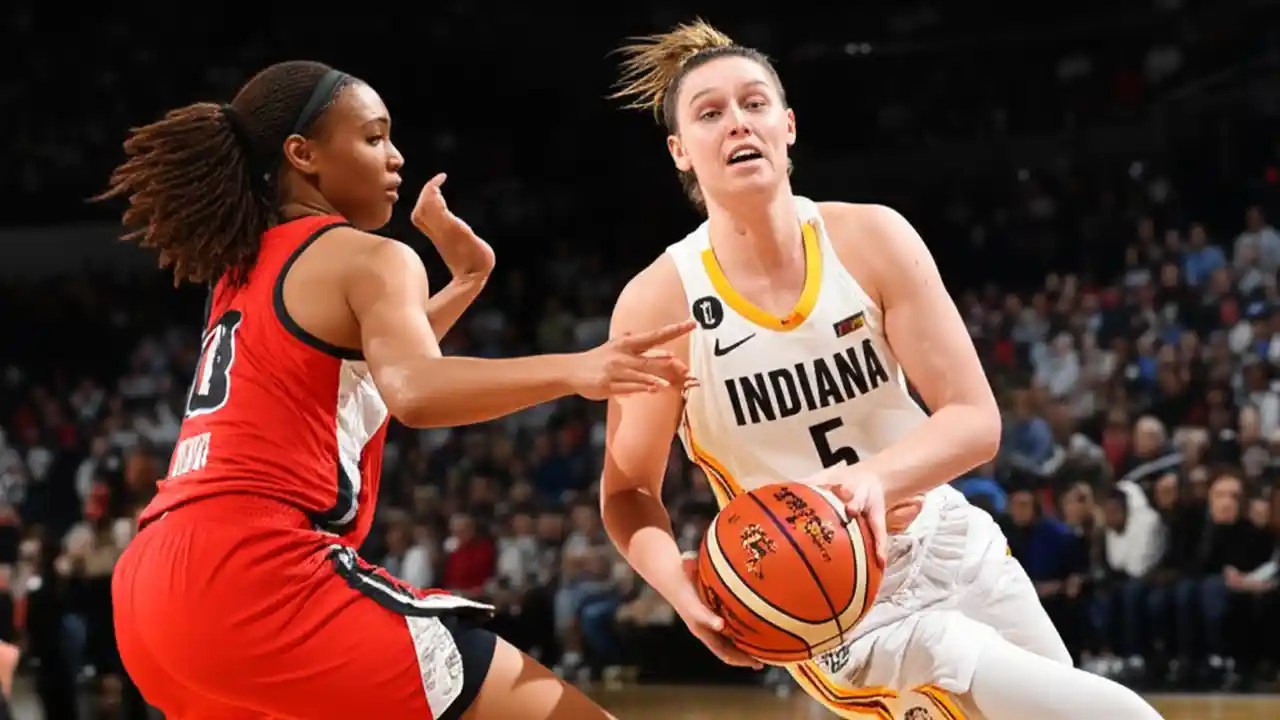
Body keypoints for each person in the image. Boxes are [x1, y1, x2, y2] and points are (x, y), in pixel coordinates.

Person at [97, 60, 695, 720]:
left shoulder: (240, 270)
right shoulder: (370, 255)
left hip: (152, 588)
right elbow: (415, 389)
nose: (397, 156)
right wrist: (578, 368)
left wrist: (466, 281)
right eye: (374, 137)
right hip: (254, 571)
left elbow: (362, 383)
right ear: (304, 154)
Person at [599, 20, 1162, 720]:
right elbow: (627, 492)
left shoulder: (871, 238)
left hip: (949, 544)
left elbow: (975, 421)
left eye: (754, 103)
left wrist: (873, 478)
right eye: (709, 113)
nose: (737, 123)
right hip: (837, 610)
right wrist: (678, 586)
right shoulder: (660, 301)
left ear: (789, 125)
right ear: (681, 152)